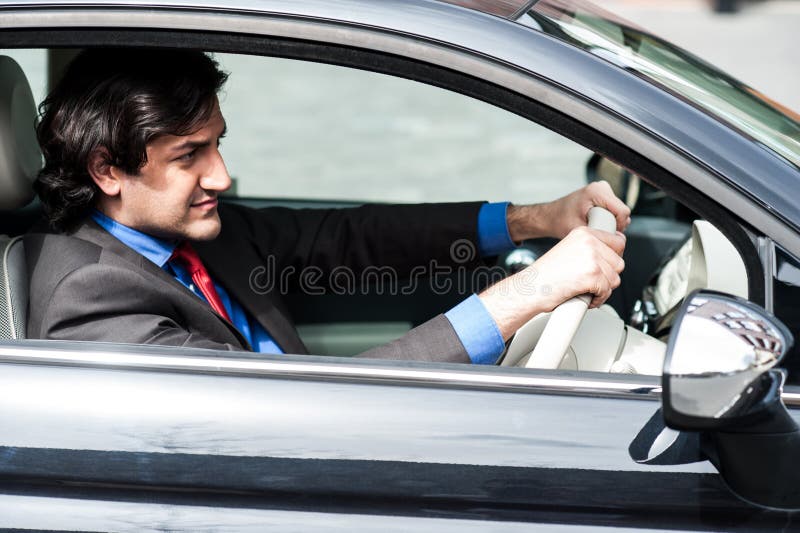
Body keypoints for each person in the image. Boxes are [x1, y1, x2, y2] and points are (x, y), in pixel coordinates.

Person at [24, 48, 629, 364]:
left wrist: (533, 219)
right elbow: (270, 417)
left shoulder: (187, 233)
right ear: (107, 170)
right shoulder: (91, 298)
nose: (223, 176)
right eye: (189, 156)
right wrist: (527, 293)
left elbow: (349, 237)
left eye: (218, 144)